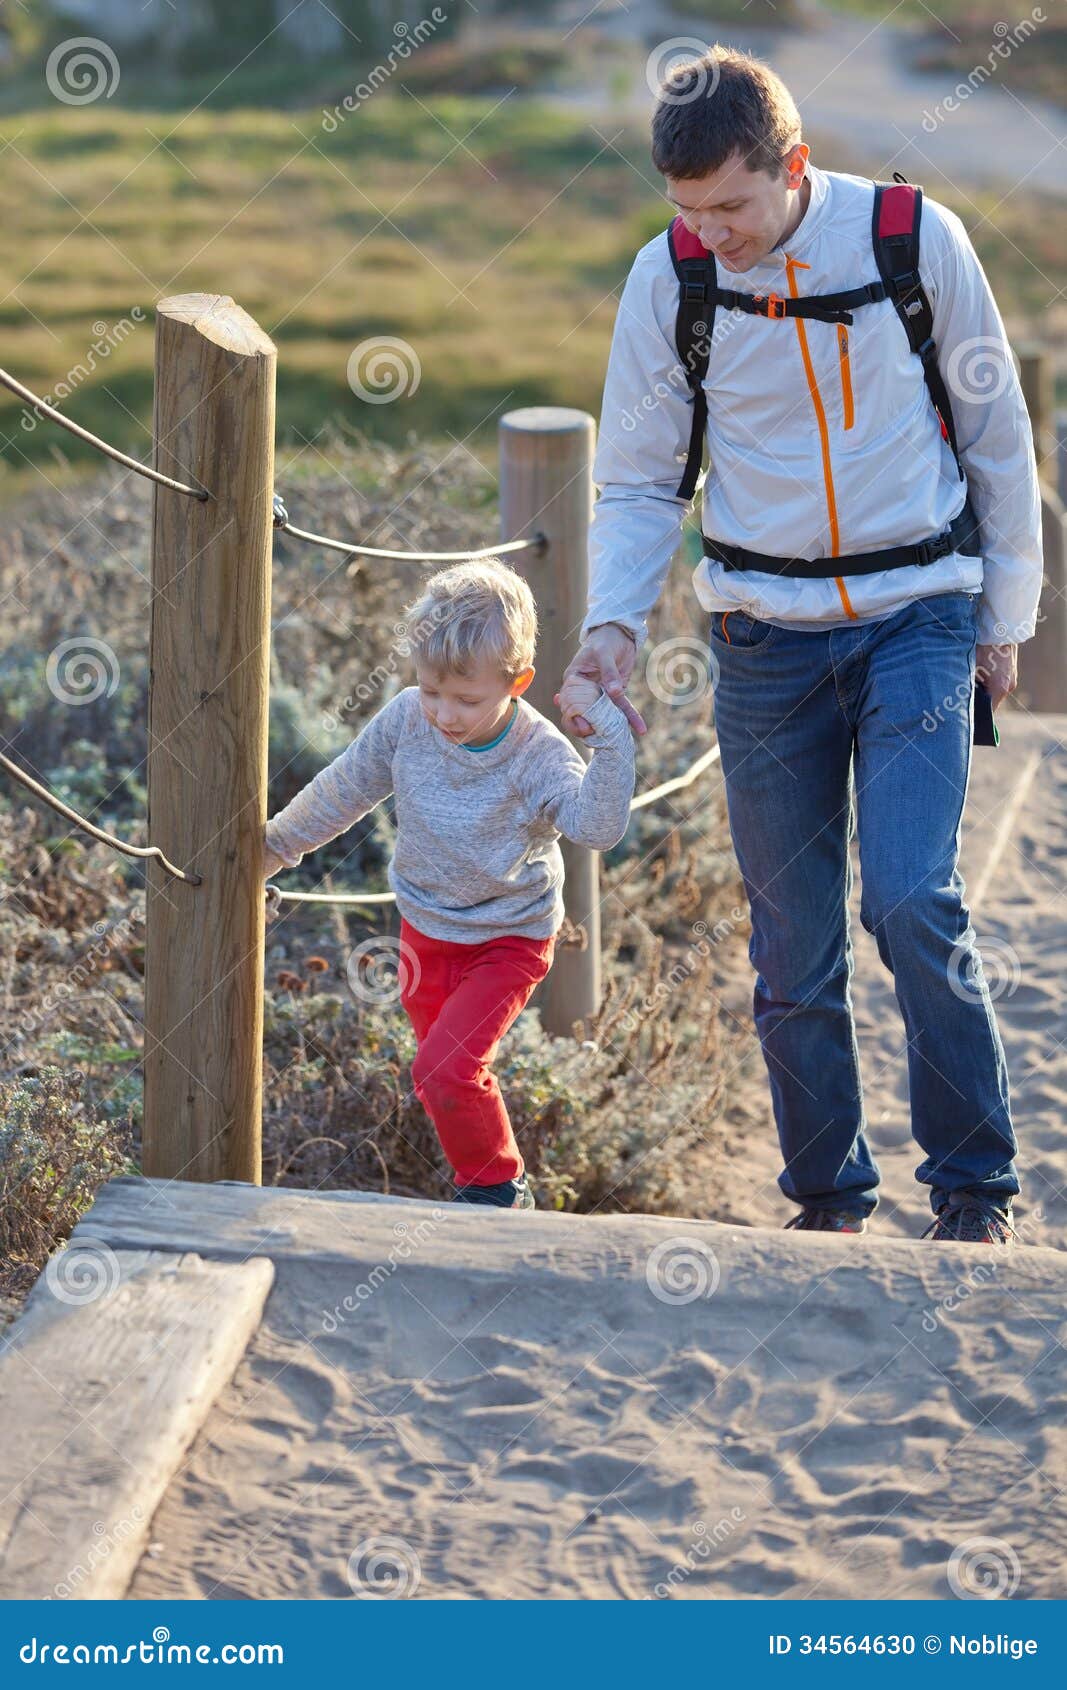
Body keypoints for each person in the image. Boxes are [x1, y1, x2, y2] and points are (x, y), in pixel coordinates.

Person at [559, 45, 1043, 1246]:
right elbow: (632, 483)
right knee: (789, 950)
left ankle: (972, 1192)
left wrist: (1005, 618)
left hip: (915, 615)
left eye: (730, 204)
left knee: (911, 897)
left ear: (794, 167)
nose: (708, 231)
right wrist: (610, 624)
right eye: (686, 209)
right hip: (760, 639)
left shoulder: (909, 239)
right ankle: (828, 1202)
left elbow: (994, 433)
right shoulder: (666, 280)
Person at [264, 558, 635, 1209]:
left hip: (507, 937)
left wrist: (608, 745)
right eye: (431, 690)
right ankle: (486, 1183)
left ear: (516, 682)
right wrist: (273, 848)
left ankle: (497, 1196)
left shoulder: (536, 753)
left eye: (466, 699)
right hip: (424, 929)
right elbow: (346, 787)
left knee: (444, 1070)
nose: (443, 714)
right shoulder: (407, 719)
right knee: (446, 1076)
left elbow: (593, 827)